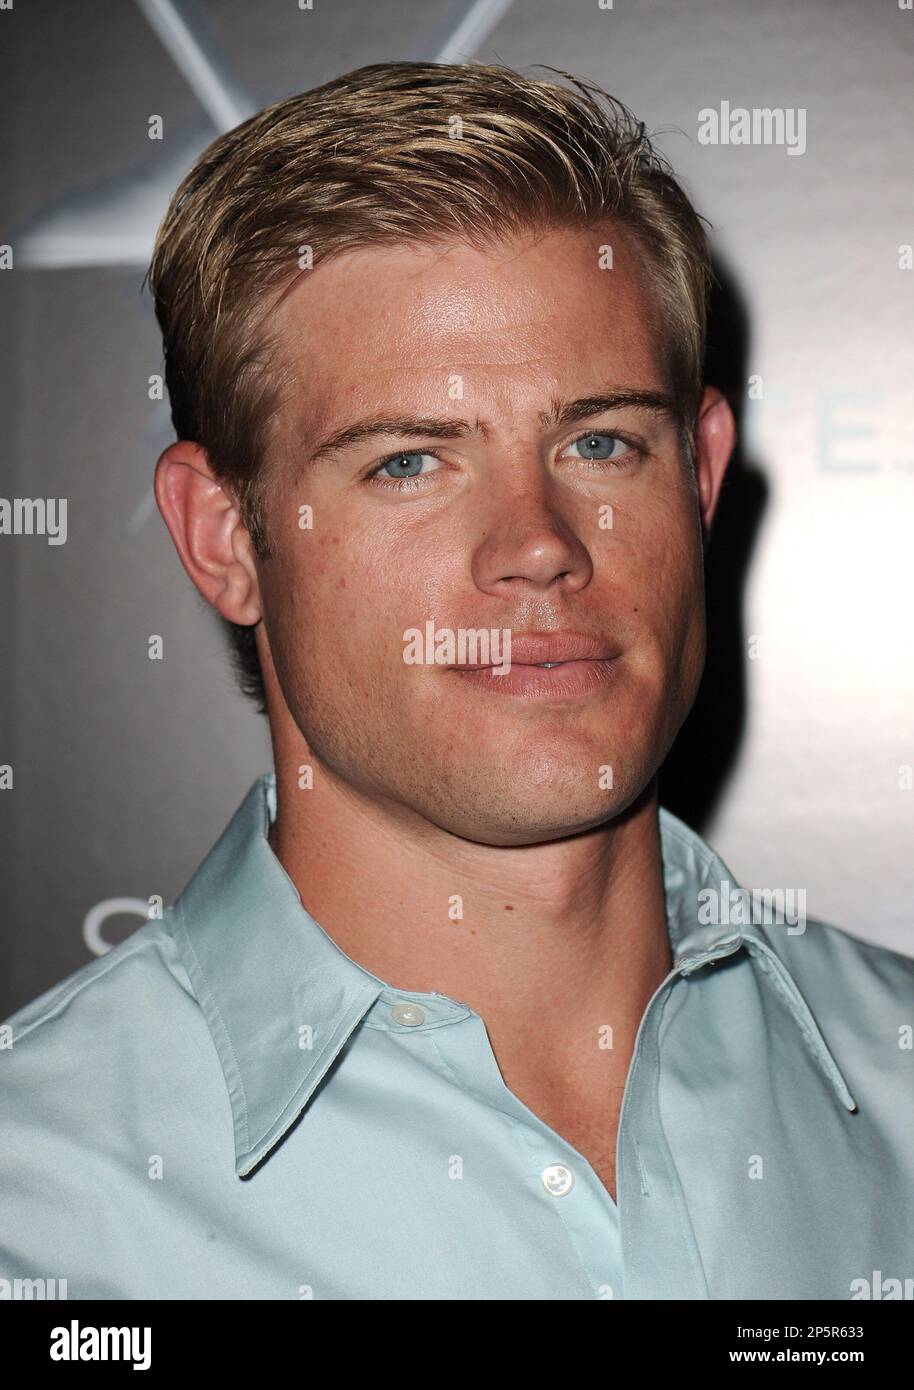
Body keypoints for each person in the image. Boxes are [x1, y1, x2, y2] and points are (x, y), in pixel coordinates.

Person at [2, 61, 911, 1302]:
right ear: (225, 536)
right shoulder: (36, 1206)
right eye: (409, 463)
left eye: (598, 441)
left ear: (698, 479)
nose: (538, 542)